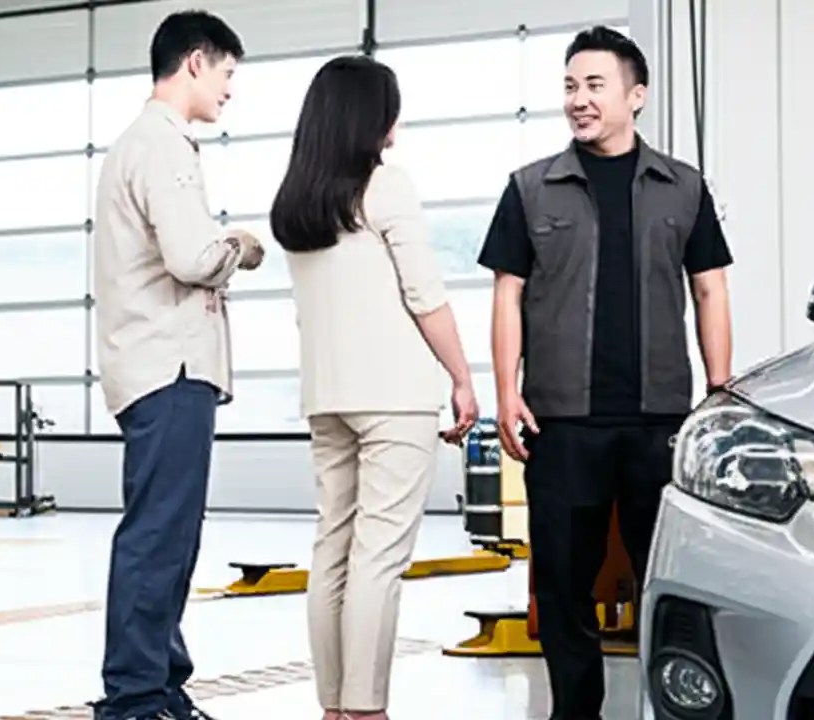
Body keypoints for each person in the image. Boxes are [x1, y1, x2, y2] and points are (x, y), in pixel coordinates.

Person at [476, 25, 734, 719]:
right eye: (569, 86)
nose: (578, 100)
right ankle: (575, 710)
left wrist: (718, 391)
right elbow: (508, 293)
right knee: (563, 583)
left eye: (594, 85)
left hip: (659, 424)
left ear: (635, 95)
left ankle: (672, 705)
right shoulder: (530, 189)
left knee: (670, 582)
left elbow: (709, 287)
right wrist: (505, 390)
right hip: (562, 423)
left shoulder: (683, 187)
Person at [269, 55, 479, 720]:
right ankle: (366, 709)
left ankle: (333, 707)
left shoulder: (298, 202)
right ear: (371, 118)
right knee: (379, 557)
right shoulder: (385, 186)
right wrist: (462, 378)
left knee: (332, 548)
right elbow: (425, 294)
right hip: (393, 395)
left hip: (326, 395)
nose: (398, 120)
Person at [91, 10, 262, 720]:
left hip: (159, 365)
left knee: (169, 533)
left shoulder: (141, 144)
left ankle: (161, 686)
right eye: (226, 74)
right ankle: (135, 698)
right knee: (160, 534)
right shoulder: (163, 146)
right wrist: (243, 246)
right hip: (170, 368)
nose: (229, 90)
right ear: (195, 61)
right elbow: (193, 258)